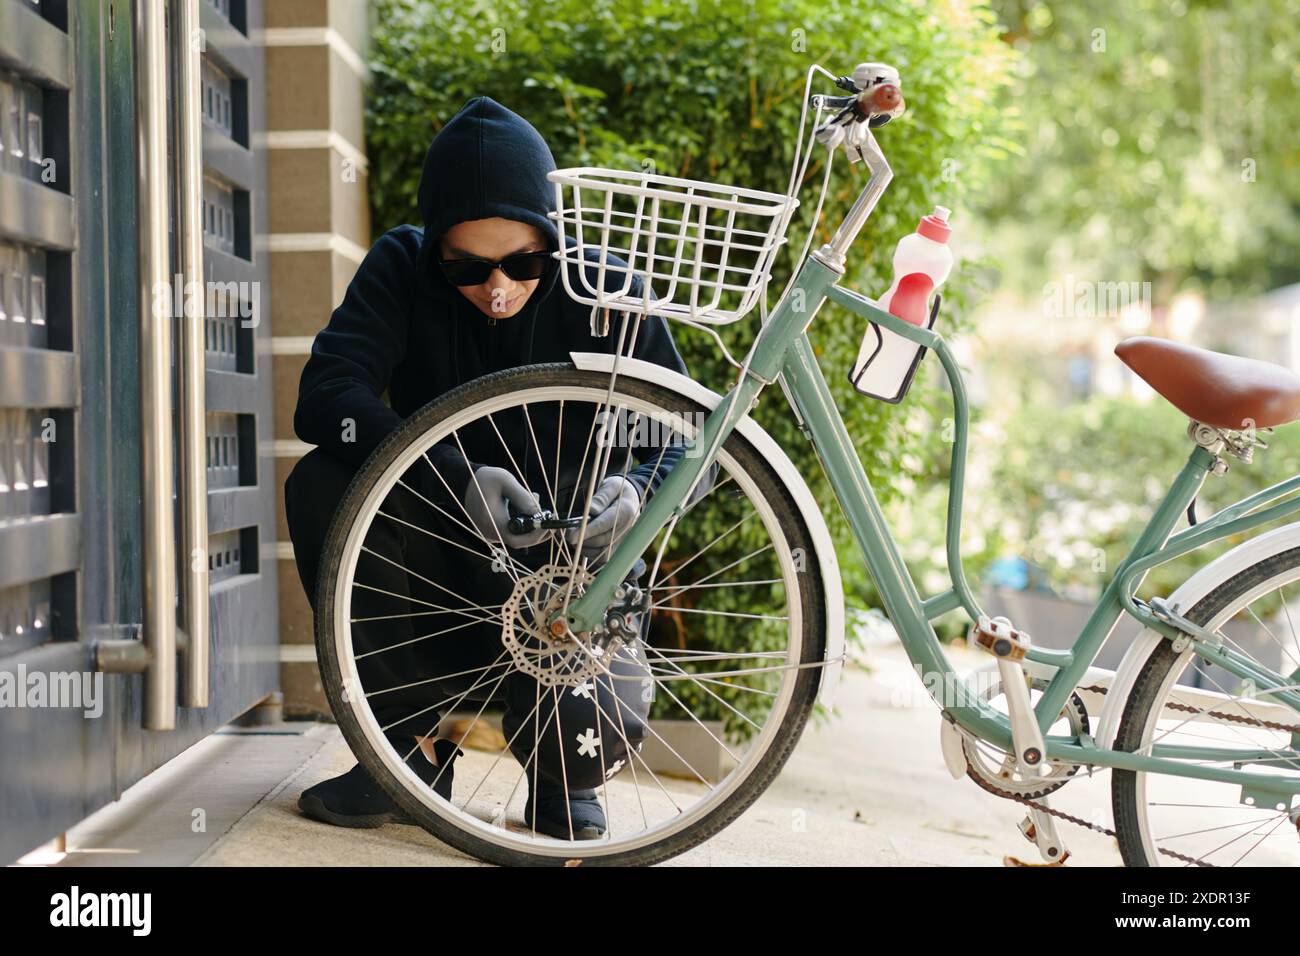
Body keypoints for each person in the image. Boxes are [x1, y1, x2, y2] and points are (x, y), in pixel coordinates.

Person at [285, 95, 711, 840]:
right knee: (323, 480)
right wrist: (449, 477)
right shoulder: (399, 268)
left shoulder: (606, 289)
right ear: (434, 251)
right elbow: (327, 397)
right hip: (446, 567)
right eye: (467, 267)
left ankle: (561, 774)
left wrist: (635, 497)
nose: (498, 288)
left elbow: (698, 440)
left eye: (524, 263)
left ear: (554, 241)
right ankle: (408, 751)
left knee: (572, 811)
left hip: (571, 580)